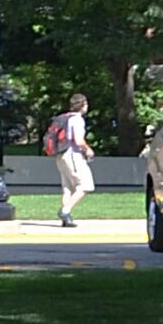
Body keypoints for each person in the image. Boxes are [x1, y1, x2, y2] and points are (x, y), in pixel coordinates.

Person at [46, 92, 93, 227]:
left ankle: (66, 219)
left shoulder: (64, 118)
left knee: (67, 188)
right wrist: (88, 150)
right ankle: (65, 211)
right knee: (86, 185)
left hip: (60, 154)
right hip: (72, 154)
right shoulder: (78, 120)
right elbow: (78, 140)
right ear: (83, 105)